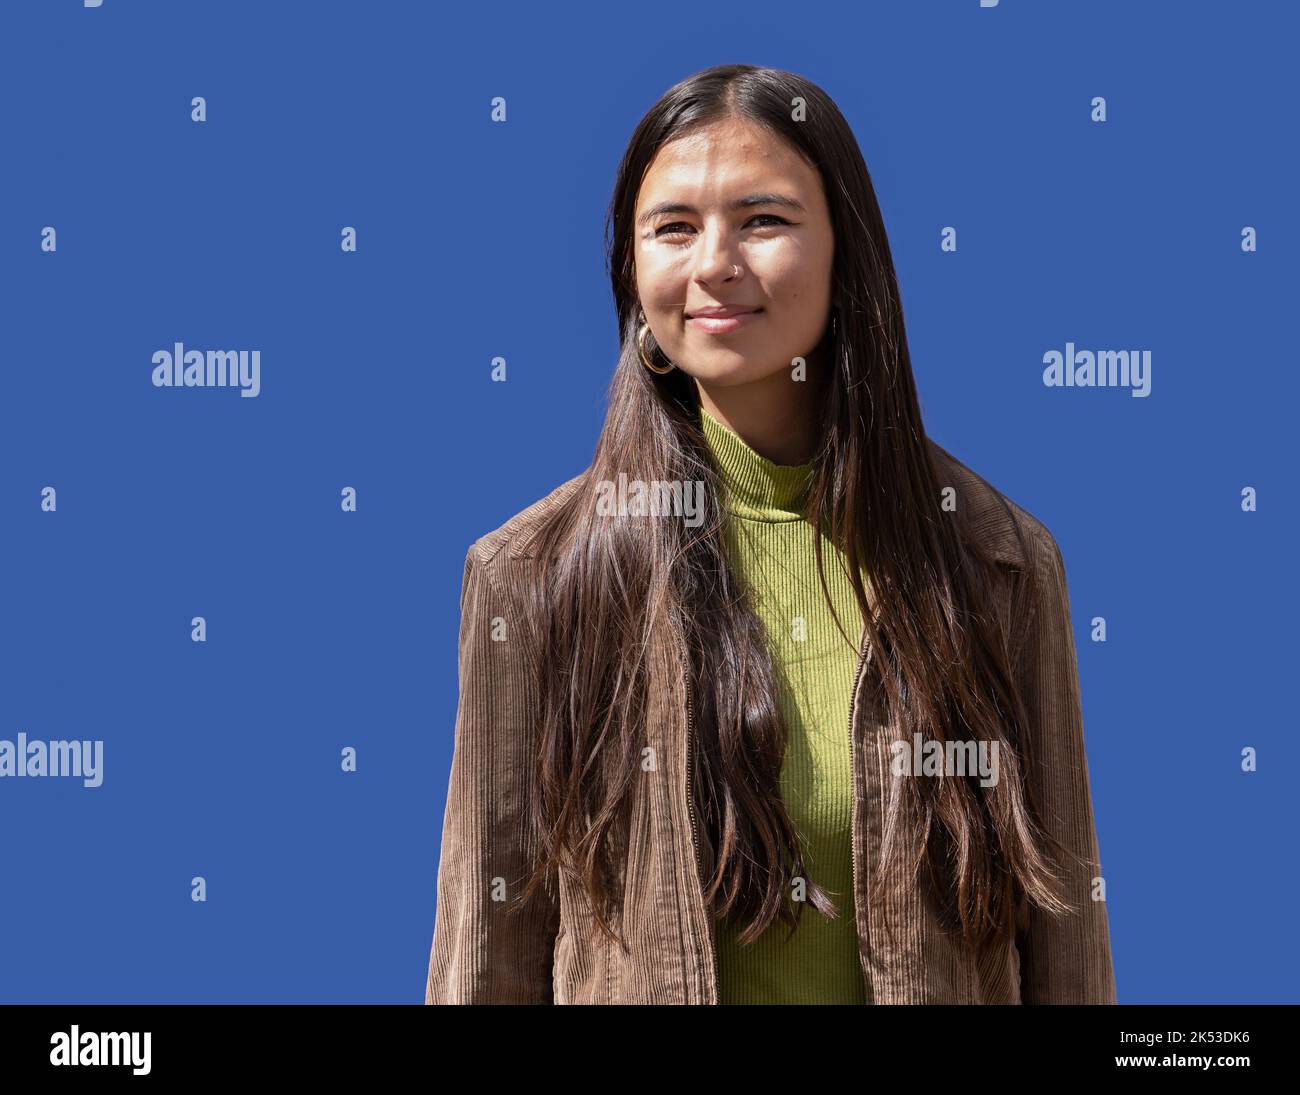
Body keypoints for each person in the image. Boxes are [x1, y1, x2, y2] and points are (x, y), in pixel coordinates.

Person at [424, 63, 1117, 1005]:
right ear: (631, 272)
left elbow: (1068, 958)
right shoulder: (534, 578)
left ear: (848, 252)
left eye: (764, 220)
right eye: (673, 227)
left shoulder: (994, 562)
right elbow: (484, 959)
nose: (714, 262)